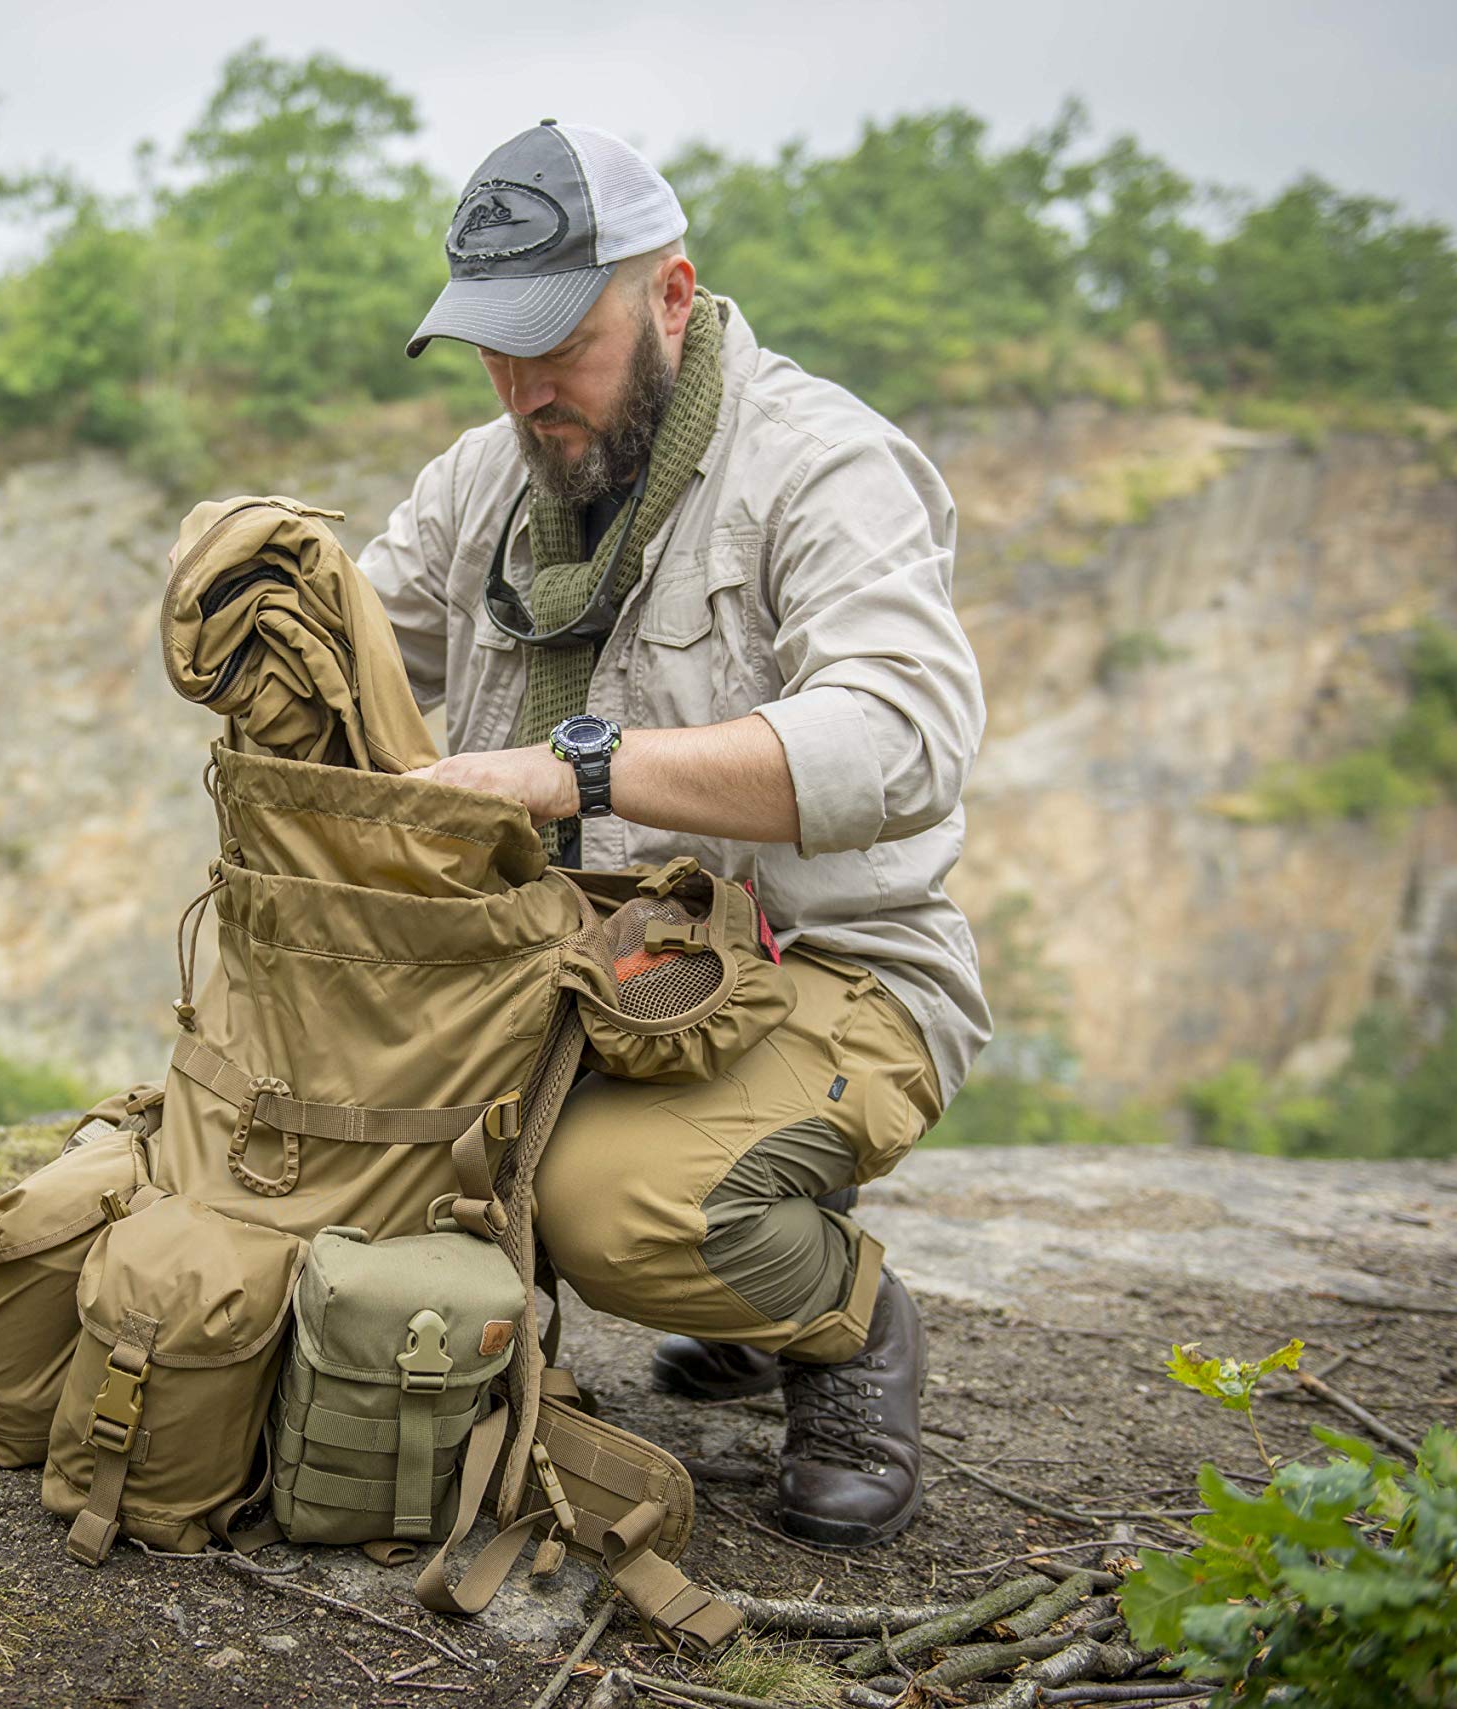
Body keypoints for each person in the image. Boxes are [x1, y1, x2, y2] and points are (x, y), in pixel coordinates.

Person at [356, 120, 990, 1548]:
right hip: (575, 969)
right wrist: (242, 586)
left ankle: (846, 1321)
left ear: (674, 294)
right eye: (493, 353)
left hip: (828, 961)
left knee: (607, 1208)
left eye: (561, 345)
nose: (527, 392)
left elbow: (909, 737)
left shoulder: (822, 465)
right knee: (348, 1127)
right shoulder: (484, 481)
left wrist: (585, 769)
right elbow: (350, 640)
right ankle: (741, 1296)